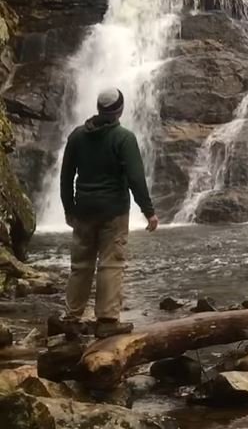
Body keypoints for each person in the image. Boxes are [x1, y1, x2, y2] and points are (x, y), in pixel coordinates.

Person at [54, 88, 158, 339]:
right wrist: (149, 212)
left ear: (100, 109)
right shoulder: (124, 138)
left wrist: (69, 209)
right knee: (111, 264)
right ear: (120, 110)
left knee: (80, 265)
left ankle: (71, 318)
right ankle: (107, 319)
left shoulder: (77, 136)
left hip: (84, 211)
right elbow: (135, 178)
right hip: (113, 212)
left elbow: (66, 176)